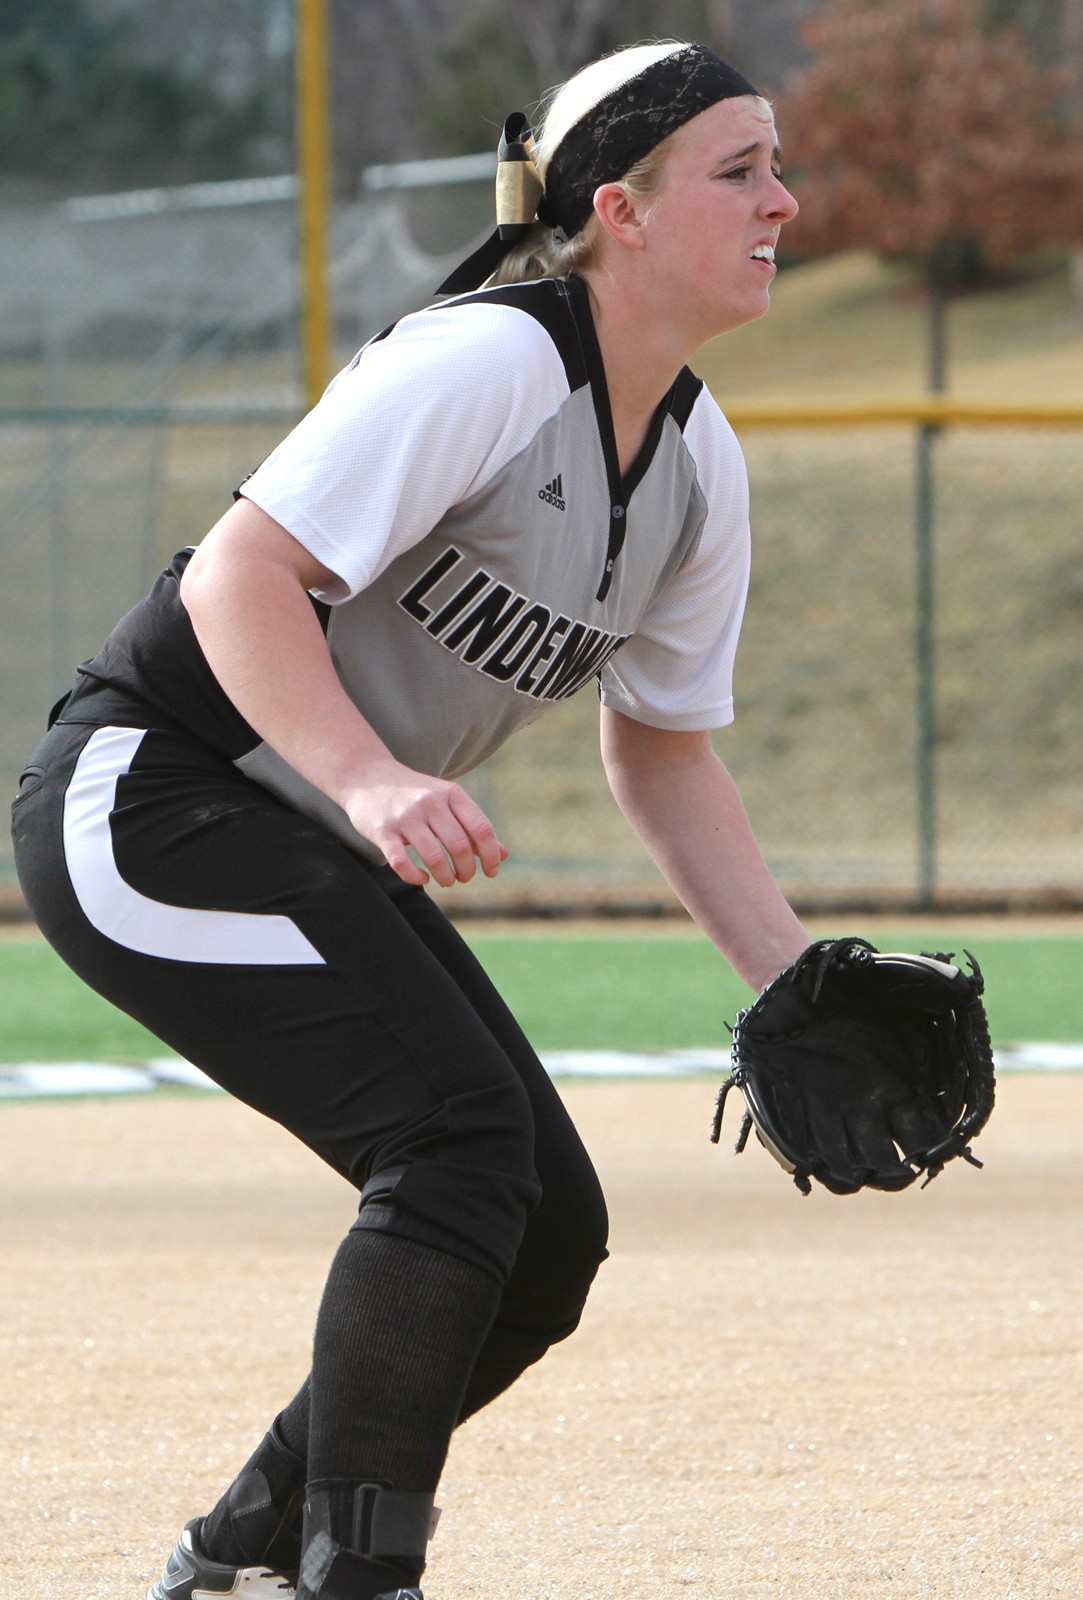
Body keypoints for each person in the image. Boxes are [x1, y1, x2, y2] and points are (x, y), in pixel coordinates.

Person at [11, 39, 809, 1600]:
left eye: (776, 166)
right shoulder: (491, 362)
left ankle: (244, 1546)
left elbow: (662, 758)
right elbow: (244, 574)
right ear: (618, 208)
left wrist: (790, 978)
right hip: (149, 794)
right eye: (740, 169)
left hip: (299, 831)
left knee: (545, 1236)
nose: (784, 200)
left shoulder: (698, 464)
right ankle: (357, 1574)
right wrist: (371, 777)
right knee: (453, 1142)